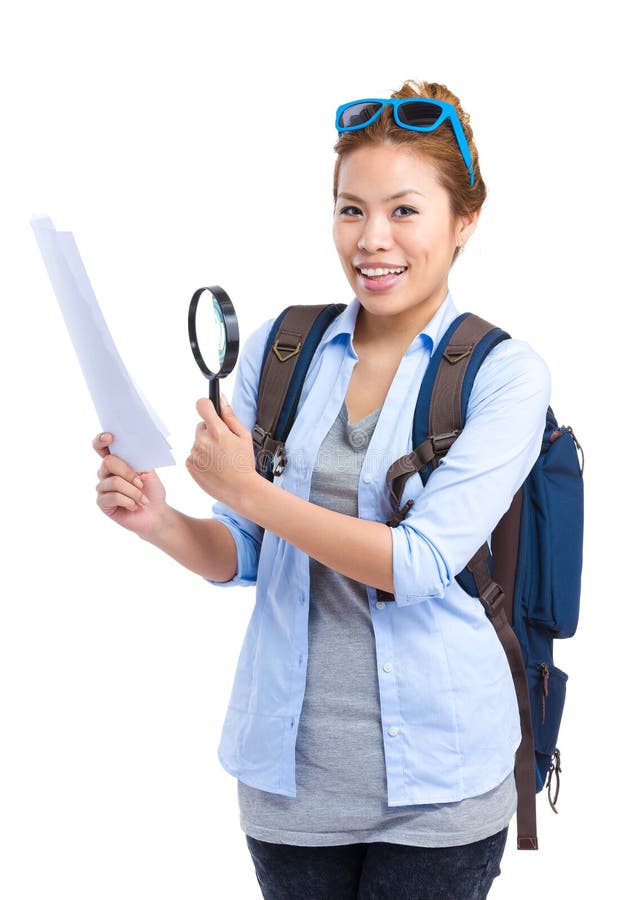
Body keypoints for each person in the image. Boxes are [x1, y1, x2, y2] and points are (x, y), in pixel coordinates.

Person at [92, 79, 551, 899]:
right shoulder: (283, 349)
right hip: (289, 784)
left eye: (404, 211)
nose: (372, 239)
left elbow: (417, 565)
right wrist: (161, 521)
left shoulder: (504, 375)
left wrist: (250, 491)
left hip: (439, 785)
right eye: (351, 210)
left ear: (465, 221)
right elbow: (246, 552)